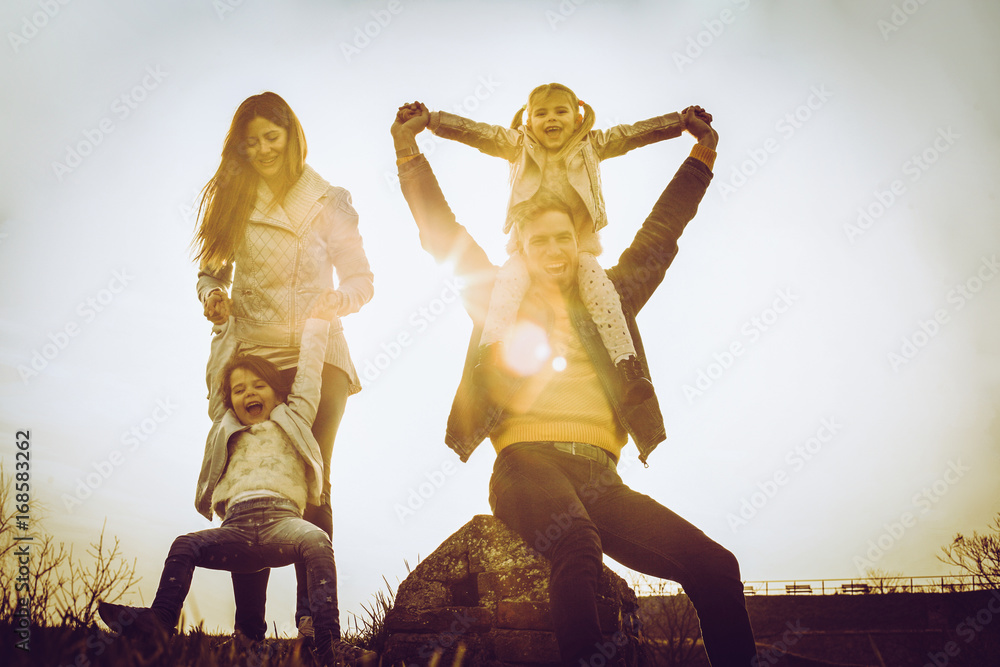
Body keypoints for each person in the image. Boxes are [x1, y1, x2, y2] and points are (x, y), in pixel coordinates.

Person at [391, 104, 758, 665]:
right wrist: (409, 154)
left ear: (580, 241)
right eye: (541, 242)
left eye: (564, 239)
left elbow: (662, 232)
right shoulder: (500, 299)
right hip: (526, 466)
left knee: (716, 566)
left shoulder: (611, 297)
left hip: (601, 480)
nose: (555, 252)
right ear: (522, 248)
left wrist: (701, 157)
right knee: (577, 543)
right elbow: (442, 234)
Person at [97, 294, 376, 666]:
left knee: (317, 540)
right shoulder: (226, 425)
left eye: (258, 385)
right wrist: (222, 327)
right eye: (239, 389)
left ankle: (326, 641)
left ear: (278, 392)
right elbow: (218, 374)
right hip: (237, 532)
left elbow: (309, 370)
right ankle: (160, 622)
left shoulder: (294, 417)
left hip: (283, 525)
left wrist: (318, 322)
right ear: (230, 401)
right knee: (184, 545)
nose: (248, 393)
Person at [192, 92, 374, 641]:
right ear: (240, 149)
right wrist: (212, 296)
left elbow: (362, 280)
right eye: (252, 142)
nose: (264, 149)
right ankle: (249, 631)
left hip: (320, 352)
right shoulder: (234, 198)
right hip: (252, 360)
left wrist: (338, 302)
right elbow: (211, 272)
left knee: (312, 483)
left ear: (292, 136)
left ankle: (315, 623)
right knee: (249, 481)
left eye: (272, 137)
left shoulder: (330, 200)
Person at [410, 83, 696, 403]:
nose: (551, 120)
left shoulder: (592, 144)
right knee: (506, 287)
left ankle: (627, 365)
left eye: (561, 111)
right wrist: (433, 120)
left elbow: (633, 133)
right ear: (528, 121)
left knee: (603, 295)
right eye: (541, 113)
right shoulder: (517, 144)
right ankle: (490, 353)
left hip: (580, 246)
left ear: (577, 117)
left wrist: (681, 122)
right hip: (526, 246)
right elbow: (478, 132)